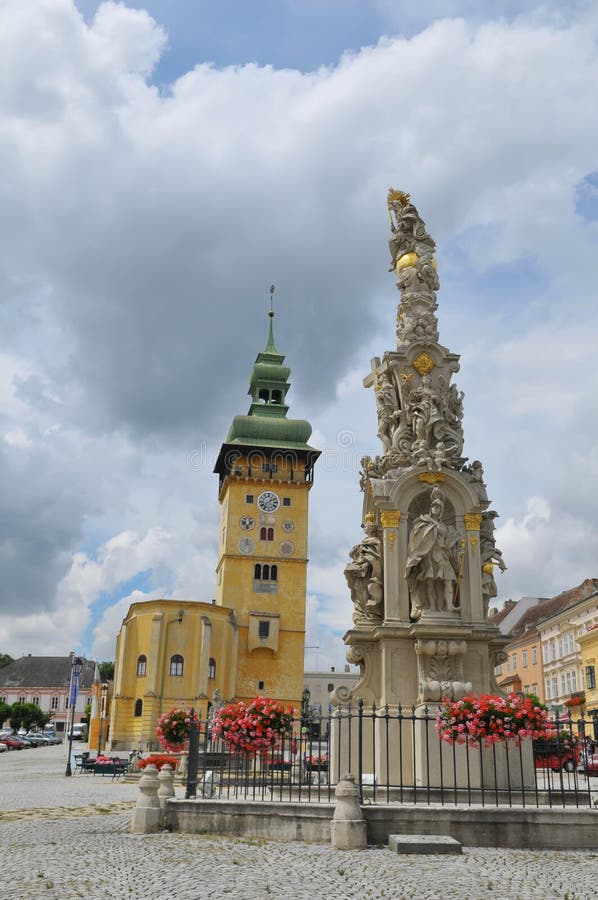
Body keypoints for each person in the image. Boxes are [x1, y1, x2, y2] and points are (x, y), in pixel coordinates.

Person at [405, 488, 460, 619]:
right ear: (431, 508)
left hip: (442, 555)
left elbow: (449, 542)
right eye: (434, 506)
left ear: (441, 510)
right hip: (428, 555)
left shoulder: (444, 526)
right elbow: (417, 539)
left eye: (439, 507)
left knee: (448, 580)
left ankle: (449, 606)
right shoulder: (424, 522)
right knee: (430, 582)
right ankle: (432, 606)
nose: (436, 508)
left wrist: (457, 549)